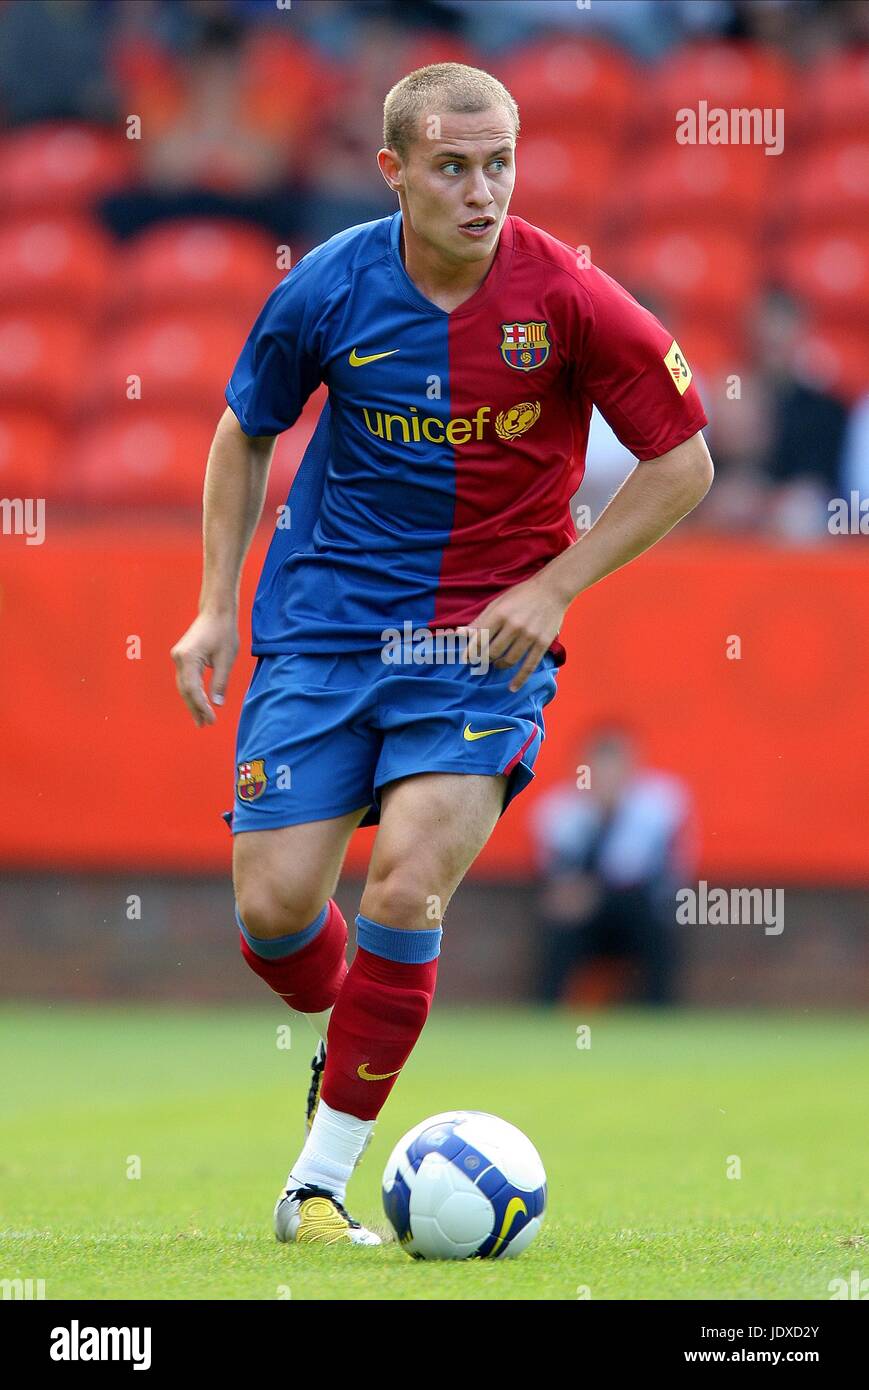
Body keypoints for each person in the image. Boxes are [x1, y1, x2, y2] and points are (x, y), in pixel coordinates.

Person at [170, 62, 712, 1247]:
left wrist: (555, 582)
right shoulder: (326, 287)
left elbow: (684, 462)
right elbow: (242, 430)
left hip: (480, 643)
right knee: (272, 914)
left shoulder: (568, 295)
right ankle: (361, 1010)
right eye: (453, 167)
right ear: (395, 171)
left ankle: (314, 1183)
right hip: (321, 629)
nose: (481, 191)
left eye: (499, 165)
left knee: (407, 885)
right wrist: (217, 607)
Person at [531, 728, 695, 1005]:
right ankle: (547, 1007)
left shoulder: (659, 806)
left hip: (638, 908)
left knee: (650, 919)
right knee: (562, 922)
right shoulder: (558, 810)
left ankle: (659, 1010)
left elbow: (648, 872)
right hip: (582, 914)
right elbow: (557, 877)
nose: (608, 778)